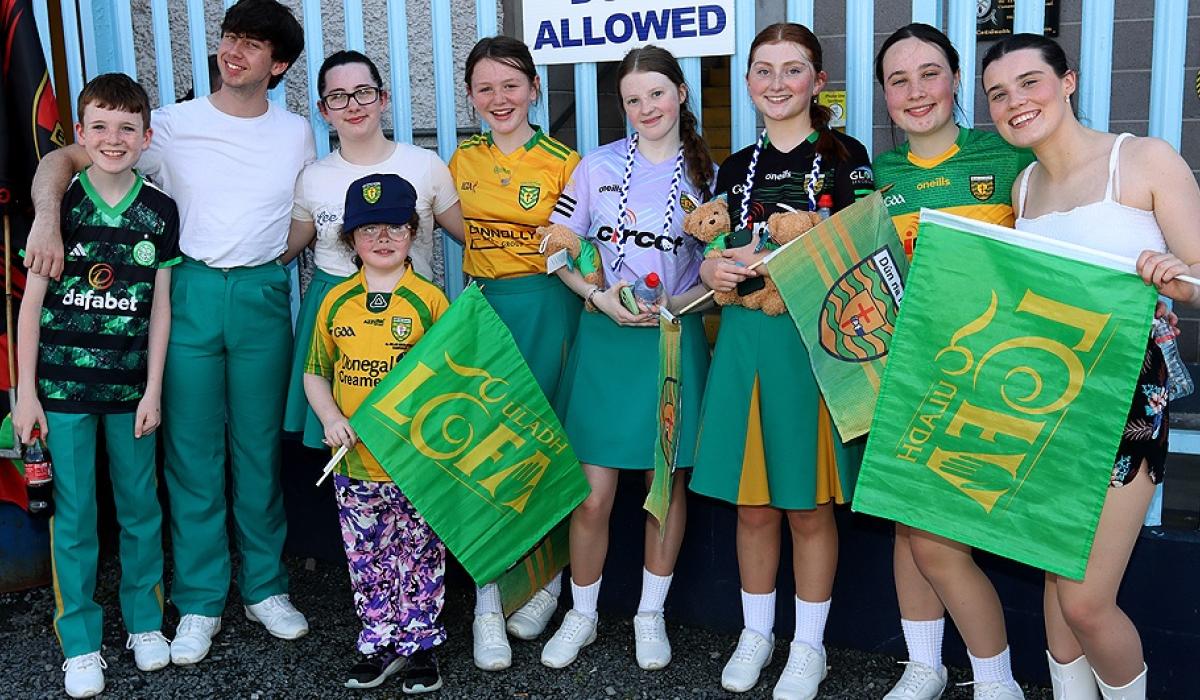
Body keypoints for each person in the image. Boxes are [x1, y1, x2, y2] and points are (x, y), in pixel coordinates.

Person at [25, 0, 314, 666]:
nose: (234, 51)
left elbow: (301, 210)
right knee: (191, 453)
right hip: (185, 293)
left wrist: (274, 260)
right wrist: (46, 219)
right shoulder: (173, 125)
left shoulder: (296, 131)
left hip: (261, 294)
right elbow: (61, 161)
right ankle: (201, 599)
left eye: (252, 44)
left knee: (257, 450)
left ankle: (266, 587)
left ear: (280, 65)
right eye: (230, 38)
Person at [983, 34, 1200, 700]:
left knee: (1083, 600)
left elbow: (1197, 278)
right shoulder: (1023, 187)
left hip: (1130, 396)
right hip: (1047, 400)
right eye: (998, 93)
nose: (1016, 102)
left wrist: (1177, 278)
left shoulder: (1142, 158)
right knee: (1054, 570)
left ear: (1068, 81)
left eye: (1030, 82)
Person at [688, 23, 873, 700]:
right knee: (753, 504)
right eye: (762, 71)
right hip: (745, 339)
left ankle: (808, 646)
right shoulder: (735, 166)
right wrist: (710, 265)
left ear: (817, 81)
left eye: (792, 70)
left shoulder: (848, 157)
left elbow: (861, 258)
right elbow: (714, 253)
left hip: (808, 343)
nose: (776, 83)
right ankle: (756, 631)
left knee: (806, 504)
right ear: (747, 84)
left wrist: (787, 259)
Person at [539, 44, 713, 672]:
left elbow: (717, 274)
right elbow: (555, 248)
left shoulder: (707, 175)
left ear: (681, 94)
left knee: (662, 489)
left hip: (671, 340)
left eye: (657, 94)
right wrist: (597, 295)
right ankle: (581, 615)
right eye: (633, 99)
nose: (647, 108)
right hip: (608, 338)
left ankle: (649, 615)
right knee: (592, 495)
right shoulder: (596, 165)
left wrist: (680, 306)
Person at [872, 23, 1034, 700]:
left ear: (958, 78)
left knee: (940, 541)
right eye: (899, 79)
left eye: (930, 73)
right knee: (908, 525)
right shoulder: (878, 176)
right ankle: (924, 667)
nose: (916, 92)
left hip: (995, 377)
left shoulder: (1007, 156)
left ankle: (997, 680)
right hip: (908, 374)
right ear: (883, 95)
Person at [12, 73, 179, 699]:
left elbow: (159, 307)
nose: (114, 139)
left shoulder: (159, 210)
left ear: (145, 136)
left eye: (127, 128)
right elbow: (30, 307)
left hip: (129, 390)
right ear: (80, 135)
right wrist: (25, 394)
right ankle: (79, 643)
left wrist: (154, 388)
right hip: (62, 393)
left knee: (140, 509)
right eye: (100, 127)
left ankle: (143, 624)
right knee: (75, 517)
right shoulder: (59, 210)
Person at [448, 36, 582, 671]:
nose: (498, 99)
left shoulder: (564, 160)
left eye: (510, 85)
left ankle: (547, 583)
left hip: (548, 305)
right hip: (482, 308)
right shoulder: (460, 159)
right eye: (484, 88)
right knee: (484, 446)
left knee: (544, 438)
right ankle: (487, 598)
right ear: (471, 97)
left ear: (533, 88)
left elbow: (580, 250)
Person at [304, 173, 449, 694]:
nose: (382, 238)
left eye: (394, 226)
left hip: (414, 461)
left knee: (418, 554)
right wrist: (330, 418)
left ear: (413, 232)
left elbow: (451, 381)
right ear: (350, 241)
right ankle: (379, 642)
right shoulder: (335, 301)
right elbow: (315, 372)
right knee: (367, 556)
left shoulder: (430, 301)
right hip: (356, 462)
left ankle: (421, 647)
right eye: (368, 230)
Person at [283, 50, 463, 450]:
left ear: (383, 98)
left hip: (410, 313)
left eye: (363, 92)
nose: (353, 105)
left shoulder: (425, 164)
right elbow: (287, 249)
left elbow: (471, 237)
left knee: (416, 435)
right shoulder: (312, 178)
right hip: (335, 310)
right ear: (323, 110)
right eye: (338, 96)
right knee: (339, 434)